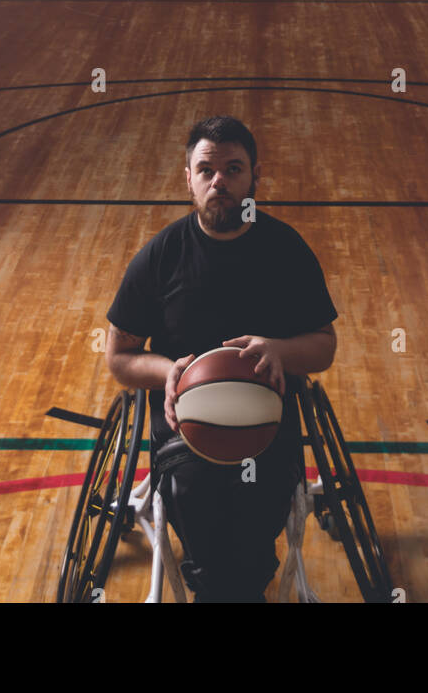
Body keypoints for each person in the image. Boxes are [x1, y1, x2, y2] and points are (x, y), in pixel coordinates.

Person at [105, 114, 338, 602]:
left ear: (255, 176)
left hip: (266, 426)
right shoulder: (162, 255)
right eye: (207, 170)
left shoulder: (285, 250)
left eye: (233, 170)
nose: (220, 182)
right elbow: (120, 357)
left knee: (256, 509)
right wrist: (170, 371)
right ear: (187, 178)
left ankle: (243, 586)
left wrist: (279, 350)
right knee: (198, 500)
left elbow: (324, 345)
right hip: (186, 430)